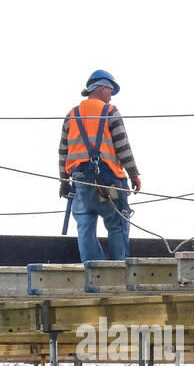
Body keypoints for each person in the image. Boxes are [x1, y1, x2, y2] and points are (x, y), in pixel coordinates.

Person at [58, 70, 141, 263]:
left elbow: (63, 151)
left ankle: (95, 270)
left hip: (80, 181)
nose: (111, 96)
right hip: (108, 180)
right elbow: (123, 146)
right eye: (110, 91)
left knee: (85, 224)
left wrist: (64, 180)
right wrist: (134, 174)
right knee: (117, 223)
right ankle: (118, 267)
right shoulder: (110, 111)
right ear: (102, 88)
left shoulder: (72, 115)